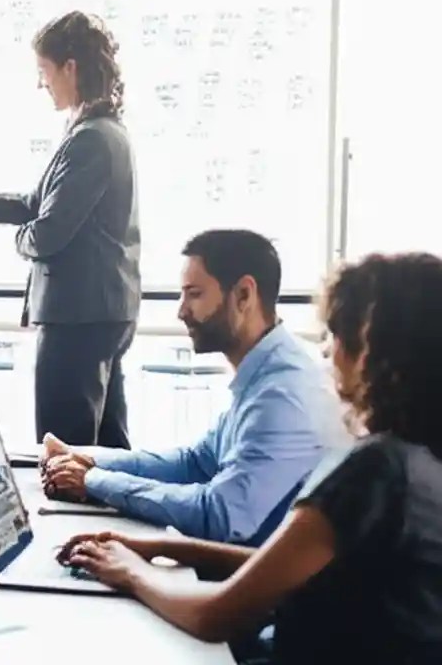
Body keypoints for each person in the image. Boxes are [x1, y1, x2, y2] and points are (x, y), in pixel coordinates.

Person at [61, 252, 442, 664]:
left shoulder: (377, 468)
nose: (326, 350)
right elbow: (298, 568)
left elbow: (215, 616)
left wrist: (132, 572)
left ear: (374, 350)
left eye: (336, 334)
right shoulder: (421, 460)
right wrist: (169, 547)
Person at [0, 11, 140, 448]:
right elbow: (35, 204)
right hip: (100, 311)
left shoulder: (91, 139)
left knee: (63, 449)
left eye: (44, 71)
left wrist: (19, 240)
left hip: (78, 315)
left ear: (70, 67)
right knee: (105, 450)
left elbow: (48, 230)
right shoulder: (99, 131)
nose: (42, 84)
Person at [41, 230, 338, 546]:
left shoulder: (281, 395)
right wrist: (88, 460)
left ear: (244, 295)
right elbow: (195, 463)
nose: (181, 311)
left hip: (250, 574)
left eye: (194, 295)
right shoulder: (266, 371)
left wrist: (93, 481)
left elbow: (220, 516)